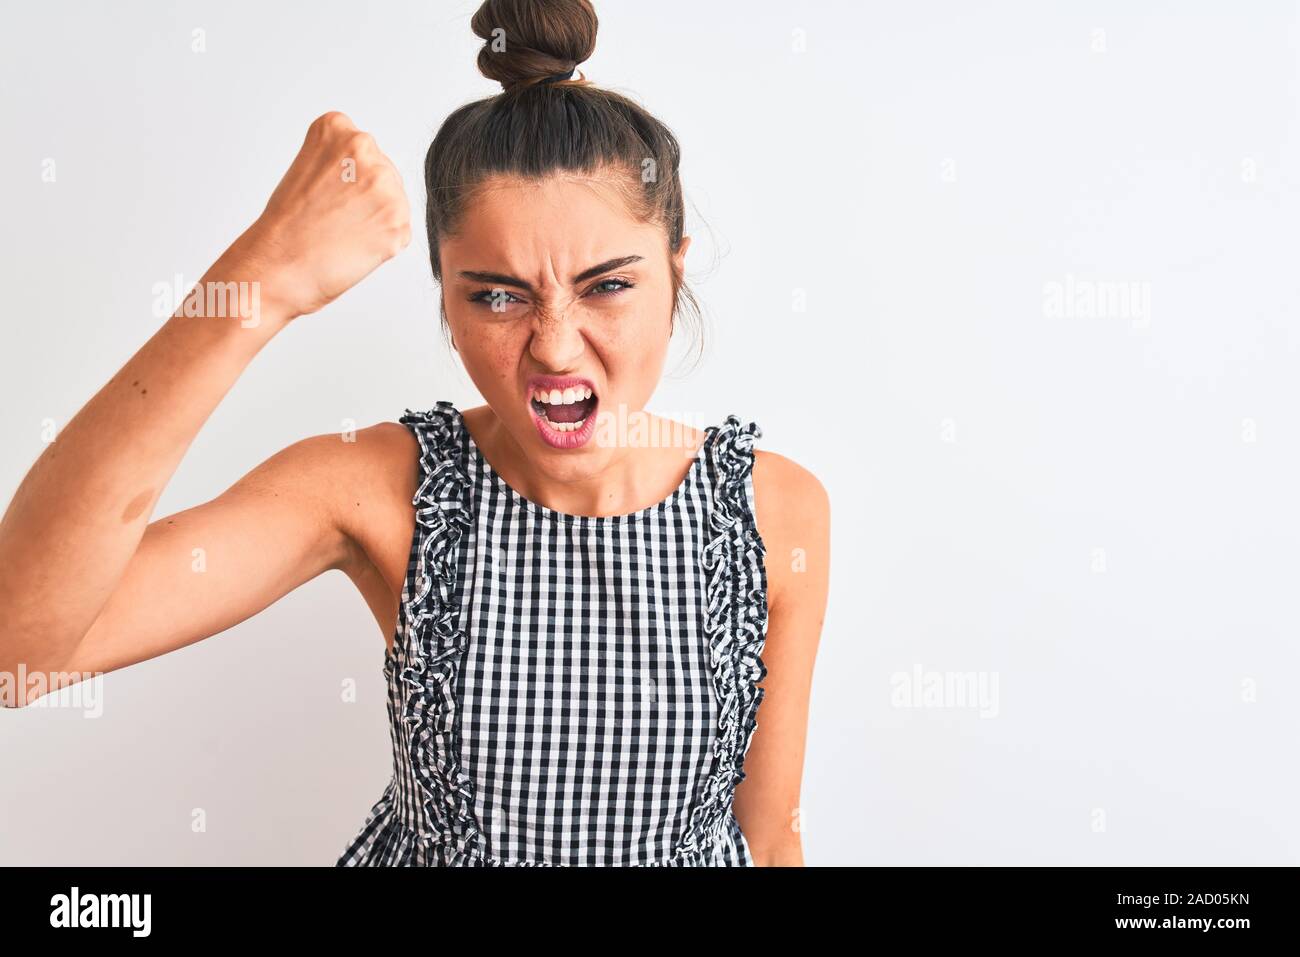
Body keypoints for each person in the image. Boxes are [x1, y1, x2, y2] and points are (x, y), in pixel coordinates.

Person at [0, 0, 830, 867]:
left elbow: (771, 841)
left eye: (607, 286)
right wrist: (259, 283)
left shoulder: (778, 512)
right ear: (443, 291)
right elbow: (23, 645)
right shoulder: (373, 488)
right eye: (496, 295)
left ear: (675, 270)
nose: (551, 344)